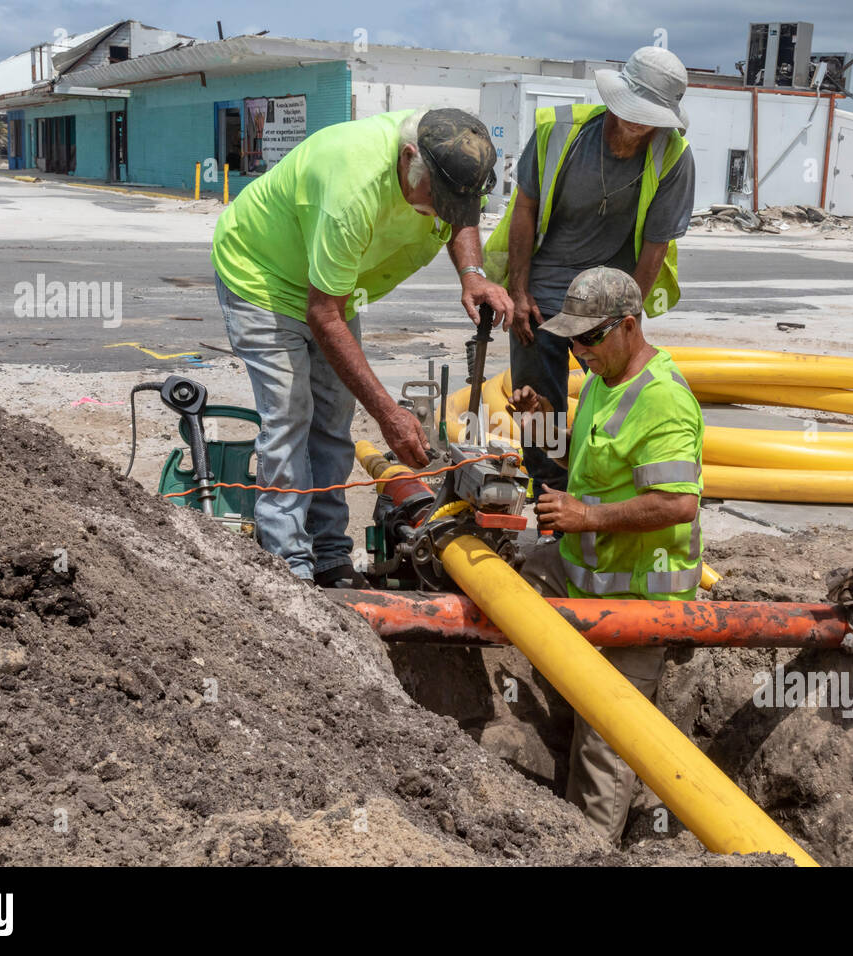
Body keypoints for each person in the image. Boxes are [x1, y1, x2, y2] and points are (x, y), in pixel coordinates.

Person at [212, 108, 515, 587]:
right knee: (291, 416)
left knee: (333, 418)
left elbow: (463, 221)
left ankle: (330, 553)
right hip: (264, 280)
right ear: (408, 159)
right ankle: (289, 564)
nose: (442, 215)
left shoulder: (446, 159)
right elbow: (322, 314)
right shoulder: (349, 190)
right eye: (438, 202)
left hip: (333, 290)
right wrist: (388, 414)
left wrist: (472, 274)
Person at [510, 266, 704, 843]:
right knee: (509, 578)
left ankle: (589, 849)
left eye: (590, 338)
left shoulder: (663, 400)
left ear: (628, 326)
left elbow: (676, 505)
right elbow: (592, 466)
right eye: (572, 339)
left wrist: (588, 517)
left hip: (639, 600)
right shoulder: (603, 377)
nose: (579, 351)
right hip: (589, 578)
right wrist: (543, 422)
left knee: (604, 744)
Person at [485, 46, 697, 494]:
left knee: (610, 396)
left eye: (650, 115)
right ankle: (548, 500)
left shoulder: (674, 157)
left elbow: (655, 247)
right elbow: (525, 208)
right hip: (543, 287)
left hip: (606, 295)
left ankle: (600, 489)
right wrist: (519, 292)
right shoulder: (558, 131)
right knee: (539, 406)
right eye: (632, 109)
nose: (639, 122)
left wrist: (625, 322)